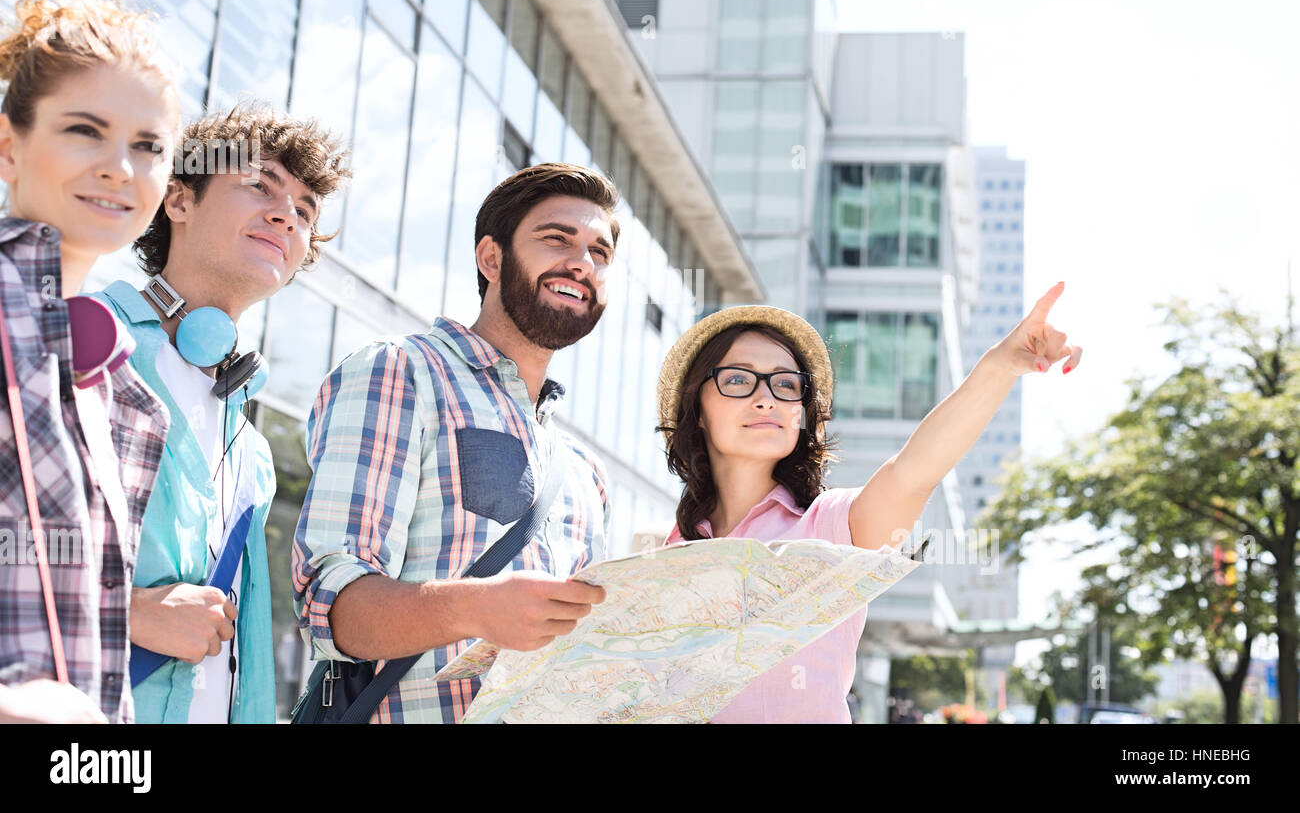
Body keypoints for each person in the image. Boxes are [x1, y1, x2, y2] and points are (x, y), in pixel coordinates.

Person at [655, 285, 1080, 723]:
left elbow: (913, 474)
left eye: (786, 384)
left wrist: (999, 366)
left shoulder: (831, 530)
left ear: (801, 415)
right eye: (739, 379)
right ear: (698, 407)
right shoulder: (670, 554)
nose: (766, 398)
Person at [293, 163, 616, 723]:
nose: (581, 263)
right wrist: (477, 608)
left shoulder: (585, 470)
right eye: (556, 239)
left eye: (600, 252)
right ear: (491, 258)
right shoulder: (401, 372)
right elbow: (332, 608)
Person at [91, 102, 351, 723]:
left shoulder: (253, 450)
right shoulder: (82, 343)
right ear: (178, 201)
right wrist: (124, 613)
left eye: (305, 212)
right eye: (260, 186)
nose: (287, 215)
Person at [0, 0, 178, 723]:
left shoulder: (122, 387)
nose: (120, 169)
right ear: (9, 146)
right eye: (84, 130)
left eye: (148, 146)